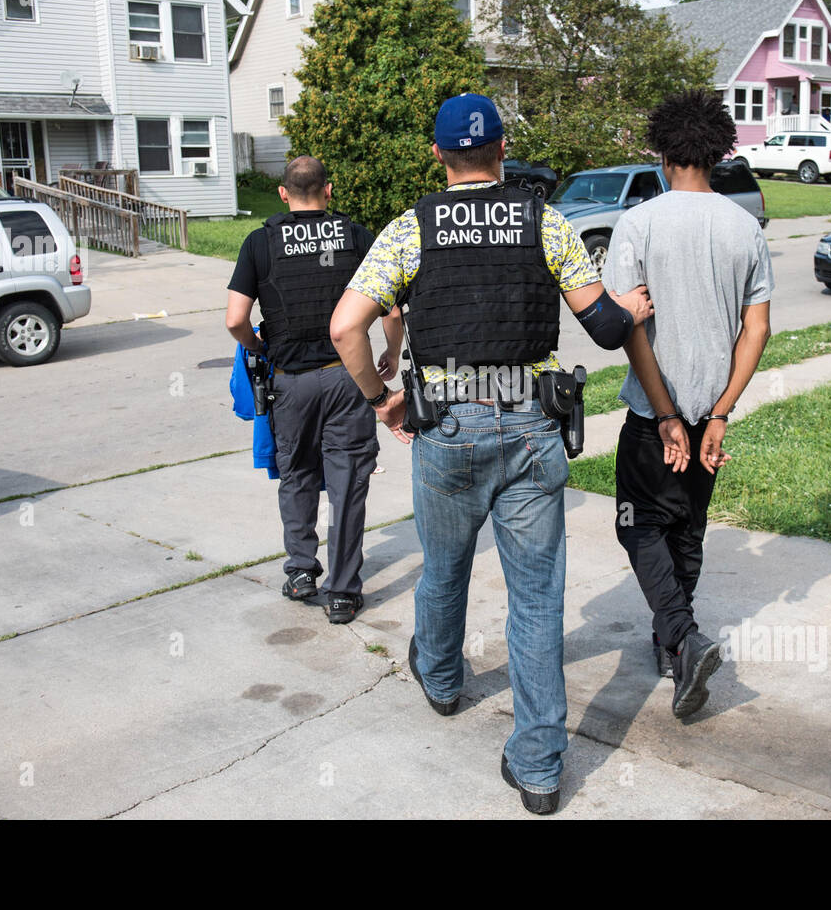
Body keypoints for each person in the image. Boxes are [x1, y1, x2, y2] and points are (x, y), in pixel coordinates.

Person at [329, 94, 654, 815]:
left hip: (445, 428)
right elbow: (602, 326)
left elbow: (345, 325)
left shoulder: (412, 228)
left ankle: (442, 680)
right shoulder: (544, 220)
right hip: (533, 427)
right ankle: (539, 769)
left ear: (439, 156)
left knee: (443, 569)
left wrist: (382, 400)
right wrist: (631, 306)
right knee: (537, 600)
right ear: (502, 150)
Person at [602, 88, 773, 719]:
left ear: (662, 150)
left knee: (638, 524)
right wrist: (720, 410)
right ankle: (675, 648)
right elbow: (756, 330)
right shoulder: (744, 227)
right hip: (711, 416)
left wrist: (667, 414)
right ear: (719, 149)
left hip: (656, 417)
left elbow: (628, 326)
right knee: (688, 529)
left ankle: (681, 635)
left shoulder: (638, 224)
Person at [226, 155, 400, 625]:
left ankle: (302, 570)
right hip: (348, 378)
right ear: (328, 190)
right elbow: (393, 312)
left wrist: (259, 348)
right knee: (347, 481)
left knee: (297, 472)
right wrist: (392, 353)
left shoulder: (260, 242)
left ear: (283, 193)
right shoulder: (356, 236)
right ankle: (343, 592)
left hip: (291, 382)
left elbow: (235, 319)